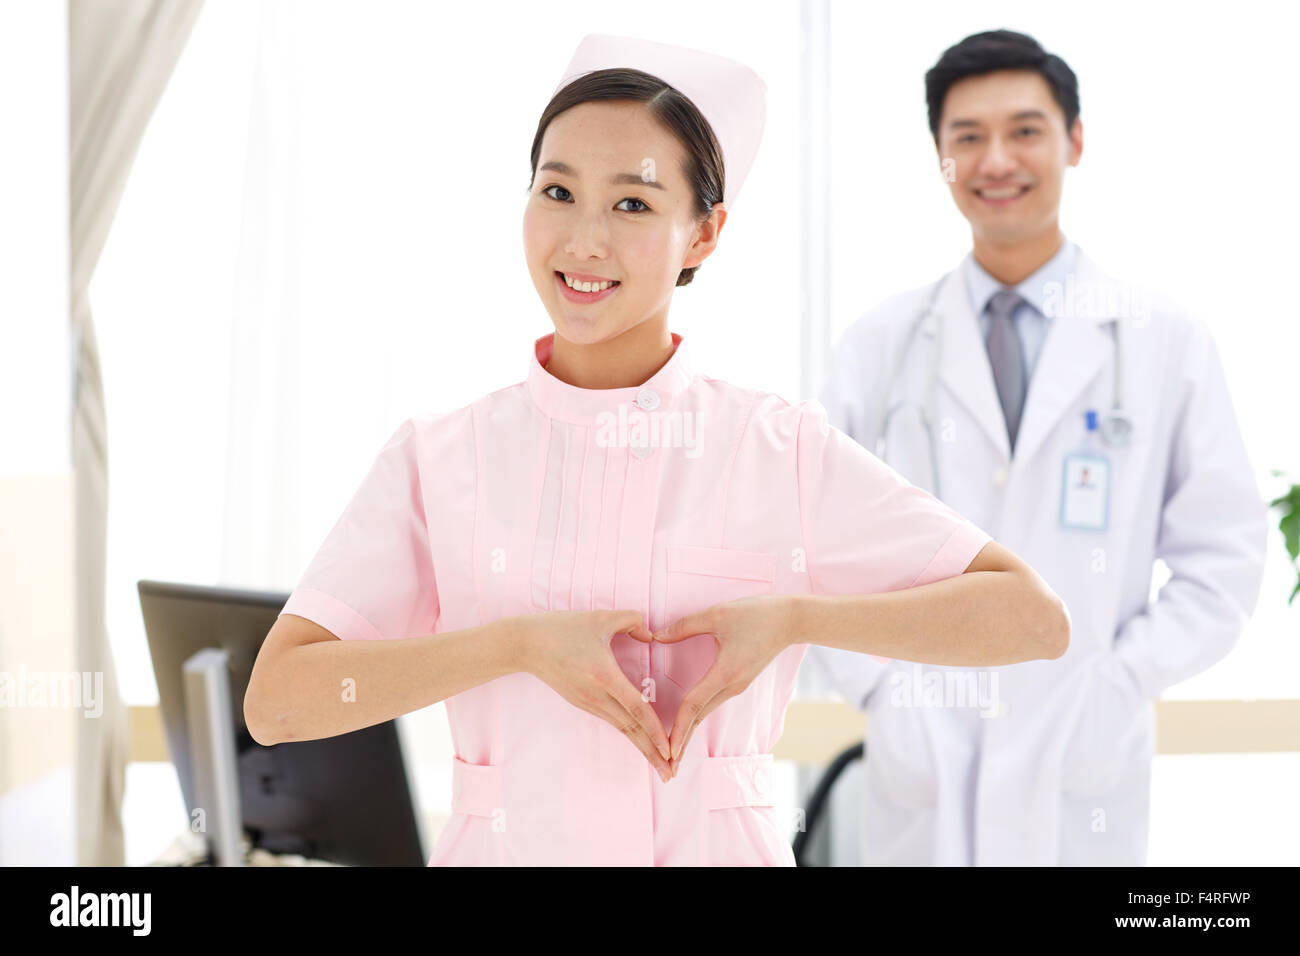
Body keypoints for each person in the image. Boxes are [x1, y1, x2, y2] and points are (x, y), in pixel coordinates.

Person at [244, 33, 1068, 867]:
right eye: (557, 191)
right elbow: (278, 705)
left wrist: (797, 618)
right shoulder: (441, 457)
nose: (585, 240)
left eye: (633, 204)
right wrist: (516, 646)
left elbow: (1029, 619)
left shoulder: (772, 447)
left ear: (704, 235)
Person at [806, 29, 1268, 865]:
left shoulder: (1164, 341)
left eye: (1024, 130)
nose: (996, 161)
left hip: (1083, 761)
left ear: (1074, 141)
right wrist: (883, 685)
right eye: (967, 137)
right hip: (922, 762)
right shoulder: (882, 344)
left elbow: (1225, 561)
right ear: (940, 158)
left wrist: (1116, 683)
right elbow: (810, 539)